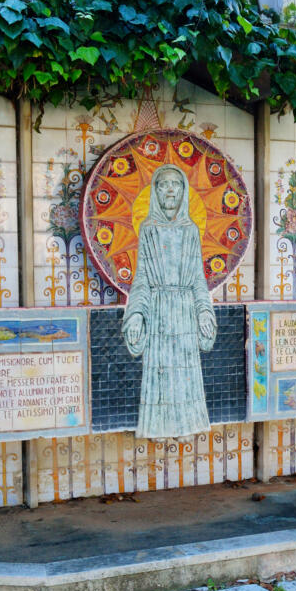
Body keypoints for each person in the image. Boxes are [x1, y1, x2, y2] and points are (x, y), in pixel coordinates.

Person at [122, 164, 216, 438]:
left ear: (184, 191)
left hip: (185, 311)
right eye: (163, 184)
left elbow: (199, 278)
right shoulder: (148, 229)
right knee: (161, 372)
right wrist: (137, 314)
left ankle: (186, 424)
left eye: (176, 184)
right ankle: (159, 426)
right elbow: (141, 280)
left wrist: (203, 313)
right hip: (159, 312)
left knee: (185, 373)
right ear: (155, 192)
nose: (170, 189)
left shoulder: (191, 230)